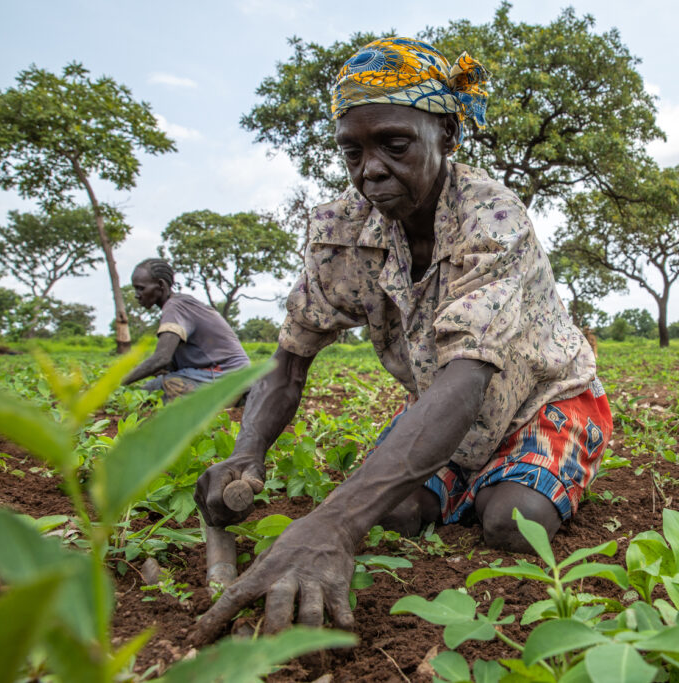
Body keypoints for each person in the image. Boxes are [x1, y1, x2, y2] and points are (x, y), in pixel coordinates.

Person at [191, 37, 612, 642]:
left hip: (542, 399)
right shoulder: (340, 232)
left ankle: (503, 480)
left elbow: (467, 378)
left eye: (395, 145)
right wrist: (247, 450)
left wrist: (333, 525)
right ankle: (469, 477)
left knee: (513, 522)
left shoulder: (492, 219)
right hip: (442, 409)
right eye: (352, 151)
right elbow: (288, 362)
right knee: (389, 513)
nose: (370, 169)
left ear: (447, 134)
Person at [122, 258, 250, 401]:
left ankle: (229, 398)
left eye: (141, 288)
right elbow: (167, 363)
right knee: (157, 384)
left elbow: (161, 358)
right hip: (233, 375)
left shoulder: (175, 307)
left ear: (161, 285)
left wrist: (117, 383)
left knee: (154, 390)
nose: (137, 295)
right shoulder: (180, 304)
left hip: (224, 374)